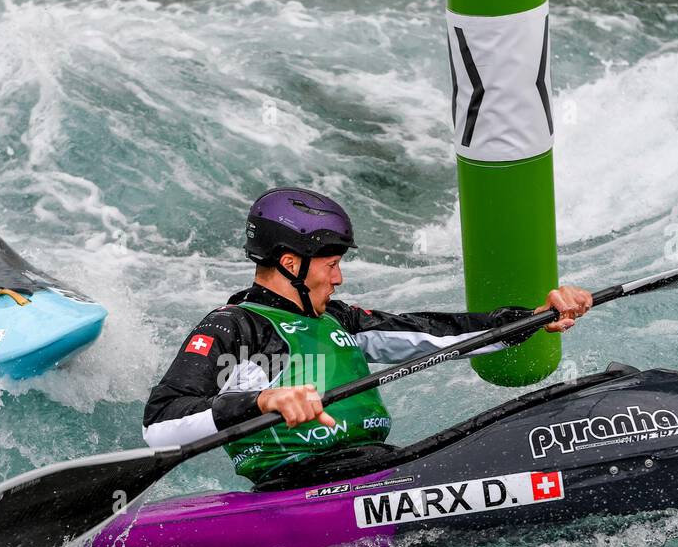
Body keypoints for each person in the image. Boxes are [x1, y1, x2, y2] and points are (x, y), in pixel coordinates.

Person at [142, 187, 594, 487]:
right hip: (299, 484)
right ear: (290, 263)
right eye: (331, 264)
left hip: (372, 466)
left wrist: (532, 319)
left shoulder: (341, 320)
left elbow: (434, 333)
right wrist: (261, 402)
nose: (338, 278)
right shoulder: (236, 326)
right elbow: (160, 424)